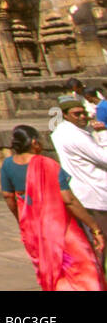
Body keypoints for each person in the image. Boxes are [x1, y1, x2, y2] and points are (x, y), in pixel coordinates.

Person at [0, 125, 104, 291]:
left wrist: (22, 220)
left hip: (33, 228)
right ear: (34, 142)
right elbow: (68, 200)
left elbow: (8, 196)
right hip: (60, 226)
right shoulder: (49, 164)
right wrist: (94, 228)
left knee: (51, 269)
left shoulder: (7, 165)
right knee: (82, 267)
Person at [50, 96, 107, 241]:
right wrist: (103, 133)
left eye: (84, 113)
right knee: (101, 241)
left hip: (84, 193)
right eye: (77, 114)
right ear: (65, 115)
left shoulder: (61, 132)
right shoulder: (75, 136)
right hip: (95, 194)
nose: (83, 117)